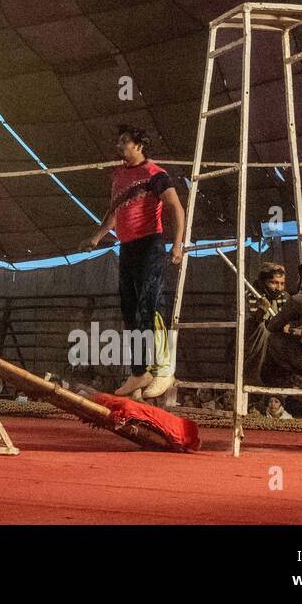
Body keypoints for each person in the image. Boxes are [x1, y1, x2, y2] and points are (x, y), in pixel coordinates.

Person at [86, 123, 185, 399]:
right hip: (127, 247)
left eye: (124, 142)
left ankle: (162, 369)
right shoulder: (118, 176)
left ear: (139, 145)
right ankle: (139, 371)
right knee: (129, 311)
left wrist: (177, 245)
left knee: (148, 307)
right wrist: (96, 237)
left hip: (149, 246)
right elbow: (114, 212)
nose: (119, 146)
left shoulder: (154, 174)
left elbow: (176, 208)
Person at [244, 262, 290, 385]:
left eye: (282, 283)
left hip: (277, 349)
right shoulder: (249, 297)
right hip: (254, 348)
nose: (279, 288)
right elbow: (250, 327)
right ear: (263, 282)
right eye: (274, 282)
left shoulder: (284, 296)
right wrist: (261, 311)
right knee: (262, 330)